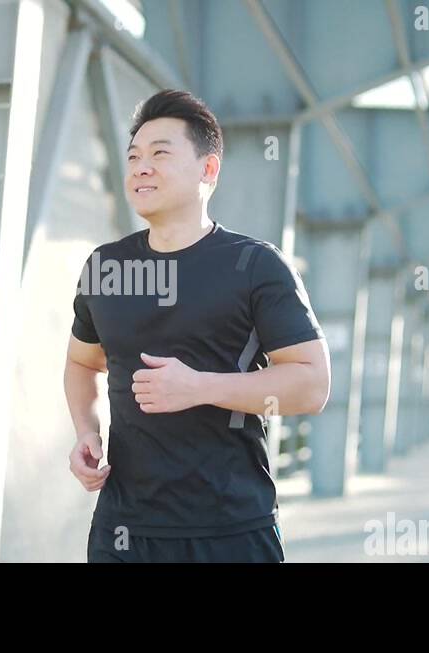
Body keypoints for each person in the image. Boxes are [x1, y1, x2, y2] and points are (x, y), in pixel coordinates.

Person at [63, 89, 330, 563]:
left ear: (208, 170)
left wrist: (200, 387)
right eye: (134, 156)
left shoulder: (254, 265)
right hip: (123, 531)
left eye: (160, 154)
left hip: (230, 531)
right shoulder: (105, 266)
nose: (141, 167)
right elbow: (83, 362)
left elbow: (311, 385)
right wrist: (87, 430)